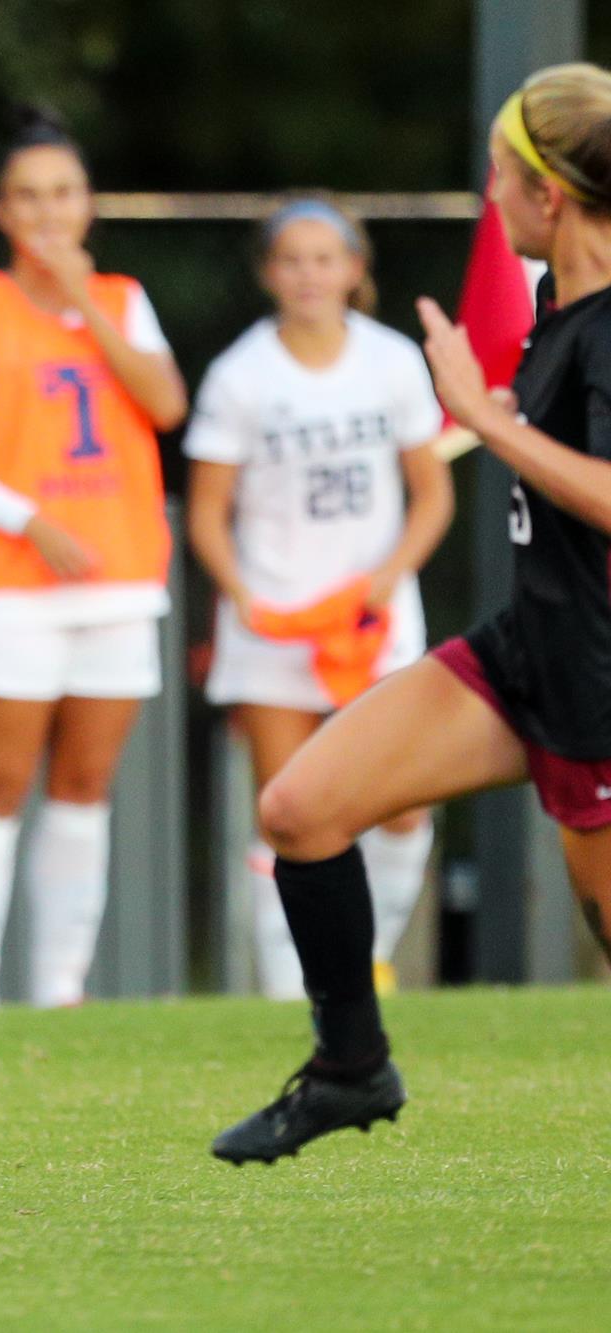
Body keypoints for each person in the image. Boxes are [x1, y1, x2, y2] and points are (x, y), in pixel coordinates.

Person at [212, 63, 611, 1164]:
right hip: (521, 648)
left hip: (597, 675)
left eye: (503, 176)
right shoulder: (552, 299)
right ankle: (349, 1067)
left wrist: (481, 416)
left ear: (554, 197)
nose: (491, 194)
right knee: (299, 810)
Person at [0, 107, 187, 1011]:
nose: (48, 213)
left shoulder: (125, 300)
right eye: (28, 197)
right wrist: (30, 520)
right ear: (0, 211)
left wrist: (88, 302)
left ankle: (63, 988)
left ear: (89, 203)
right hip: (11, 586)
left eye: (64, 194)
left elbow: (165, 403)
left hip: (120, 577)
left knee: (84, 786)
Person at [185, 199, 454, 1001]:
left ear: (355, 269)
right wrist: (249, 600)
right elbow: (207, 514)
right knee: (289, 810)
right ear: (269, 273)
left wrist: (387, 575)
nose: (309, 274)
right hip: (276, 628)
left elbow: (432, 494)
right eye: (292, 259)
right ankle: (286, 989)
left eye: (325, 257)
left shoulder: (395, 360)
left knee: (402, 806)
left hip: (372, 623)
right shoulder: (241, 374)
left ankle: (363, 956)